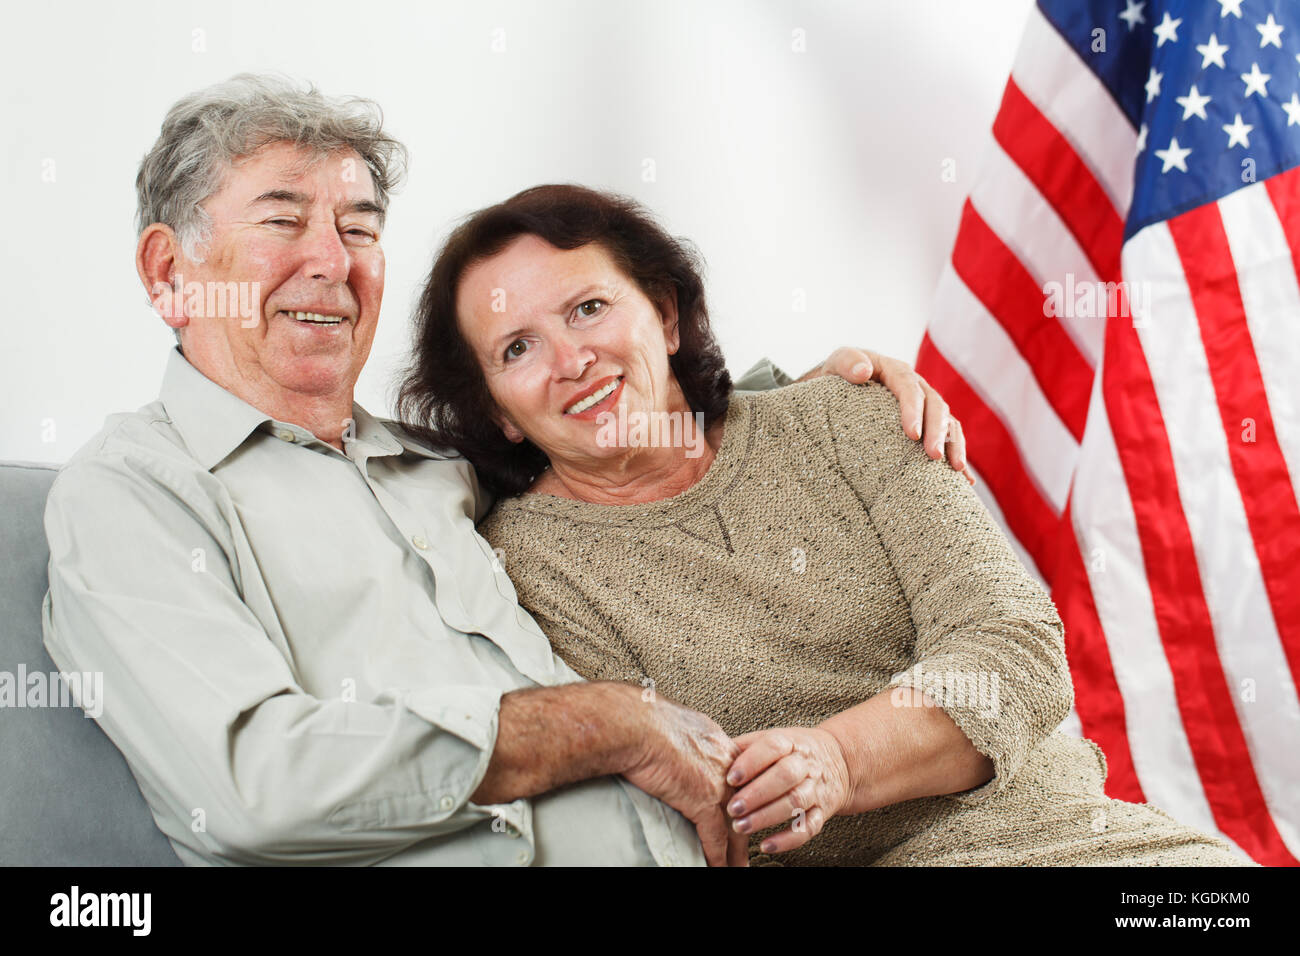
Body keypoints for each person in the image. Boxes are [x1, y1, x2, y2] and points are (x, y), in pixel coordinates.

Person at [39, 74, 967, 867]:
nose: (333, 262)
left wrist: (808, 398)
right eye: (283, 219)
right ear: (169, 274)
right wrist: (608, 723)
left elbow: (608, 440)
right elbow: (253, 782)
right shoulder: (134, 495)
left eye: (359, 229)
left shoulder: (437, 467)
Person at [401, 183, 1254, 866]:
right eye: (517, 348)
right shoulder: (530, 567)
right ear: (499, 414)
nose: (571, 359)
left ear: (662, 312)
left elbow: (1015, 647)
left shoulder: (848, 417)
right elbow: (674, 802)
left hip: (1078, 840)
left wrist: (839, 759)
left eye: (587, 308)